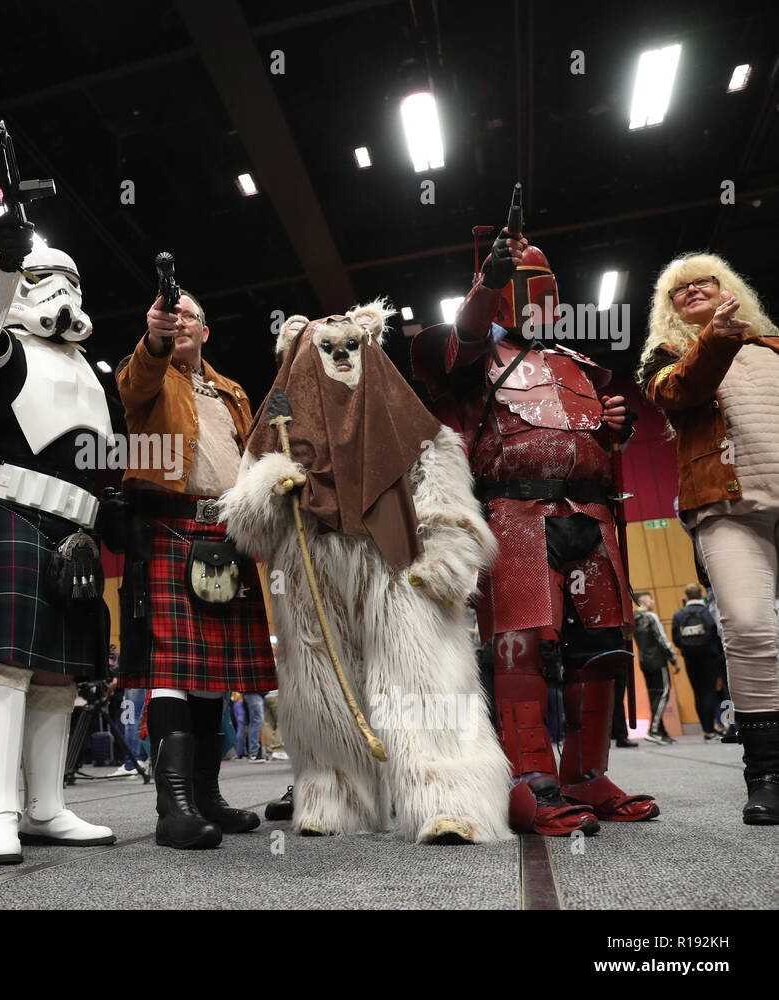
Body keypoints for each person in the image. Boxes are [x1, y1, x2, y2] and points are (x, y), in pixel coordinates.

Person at [226, 305, 511, 842]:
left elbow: (444, 488)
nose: (339, 359)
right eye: (327, 350)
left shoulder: (404, 418)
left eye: (351, 347)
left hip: (396, 562)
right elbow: (245, 520)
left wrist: (445, 556)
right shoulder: (282, 425)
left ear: (370, 348)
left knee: (421, 683)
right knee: (323, 694)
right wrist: (273, 482)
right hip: (313, 566)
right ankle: (335, 799)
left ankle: (451, 800)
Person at [410, 225, 658, 836]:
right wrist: (489, 280)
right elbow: (460, 346)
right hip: (516, 517)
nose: (538, 299)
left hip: (589, 516)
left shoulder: (579, 368)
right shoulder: (470, 359)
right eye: (523, 287)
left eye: (546, 287)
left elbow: (592, 438)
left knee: (600, 649)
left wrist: (613, 430)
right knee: (520, 647)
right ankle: (530, 777)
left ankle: (584, 773)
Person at [0, 210, 115, 864]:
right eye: (45, 278)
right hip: (13, 511)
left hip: (76, 525)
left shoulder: (88, 371)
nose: (62, 293)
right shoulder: (5, 352)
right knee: (7, 667)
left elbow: (103, 456)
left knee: (60, 675)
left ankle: (46, 807)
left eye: (71, 282)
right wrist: (0, 262)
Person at [115, 288, 278, 850]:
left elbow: (254, 454)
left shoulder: (232, 390)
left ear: (207, 331)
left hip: (226, 535)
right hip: (170, 529)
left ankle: (205, 797)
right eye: (169, 314)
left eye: (189, 315)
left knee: (212, 679)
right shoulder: (148, 375)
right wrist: (154, 340)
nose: (179, 320)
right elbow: (136, 378)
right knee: (172, 670)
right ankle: (173, 810)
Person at [639, 252, 779, 823]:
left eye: (704, 281)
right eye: (679, 289)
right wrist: (715, 339)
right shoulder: (666, 358)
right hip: (727, 509)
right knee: (747, 625)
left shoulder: (773, 347)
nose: (692, 290)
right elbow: (681, 393)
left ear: (730, 288)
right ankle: (766, 774)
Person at [672, 584, 727, 741]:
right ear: (700, 595)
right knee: (710, 691)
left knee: (698, 693)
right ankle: (718, 727)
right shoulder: (708, 611)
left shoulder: (679, 615)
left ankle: (707, 730)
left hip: (690, 659)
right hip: (710, 657)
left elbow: (676, 638)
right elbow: (716, 634)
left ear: (686, 596)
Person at [632, 592, 678, 745]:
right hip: (658, 661)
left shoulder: (633, 619)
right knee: (663, 693)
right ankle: (653, 730)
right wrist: (673, 659)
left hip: (644, 661)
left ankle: (662, 732)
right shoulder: (651, 617)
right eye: (650, 598)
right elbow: (662, 639)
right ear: (643, 601)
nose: (653, 601)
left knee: (654, 696)